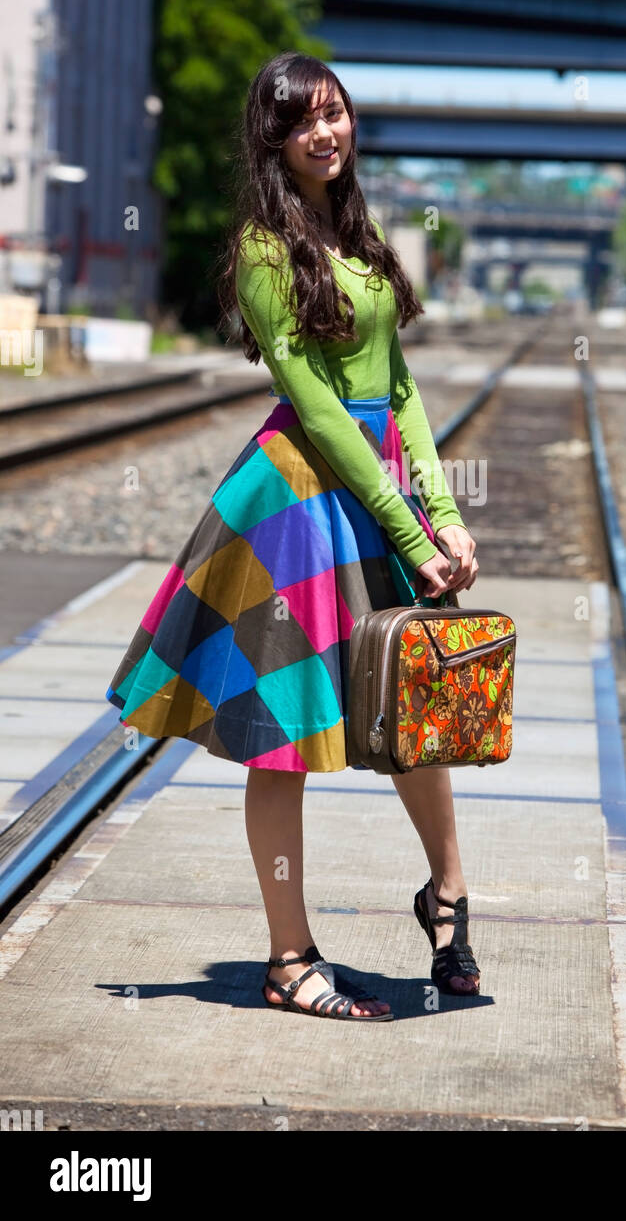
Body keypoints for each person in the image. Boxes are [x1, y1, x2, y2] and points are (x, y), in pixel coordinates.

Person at [105, 52, 482, 1022]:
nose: (327, 130)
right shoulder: (264, 252)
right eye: (302, 119)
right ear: (271, 140)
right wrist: (409, 524)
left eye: (336, 111)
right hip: (298, 505)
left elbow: (395, 392)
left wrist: (440, 515)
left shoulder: (356, 234)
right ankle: (287, 956)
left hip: (377, 489)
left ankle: (446, 898)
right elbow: (316, 410)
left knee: (415, 706)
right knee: (284, 736)